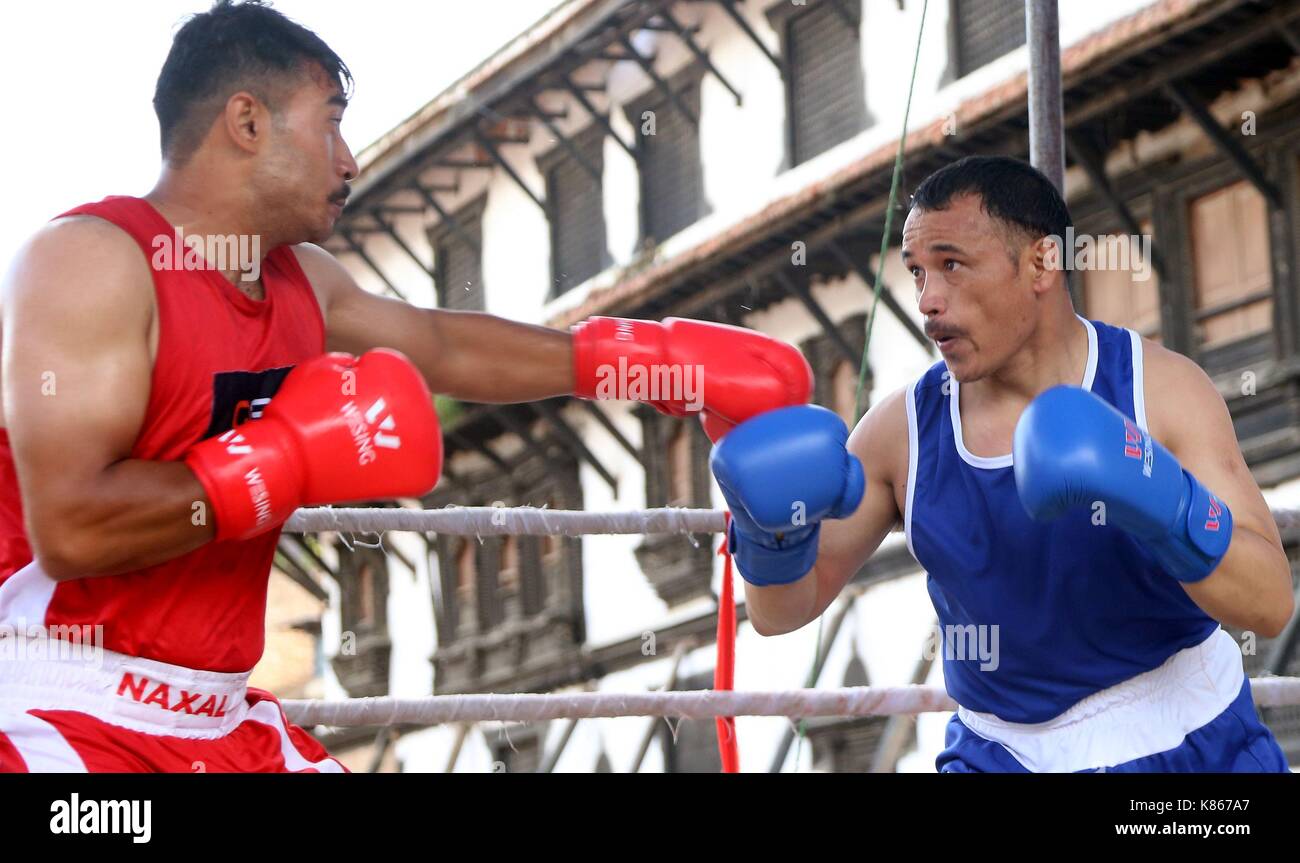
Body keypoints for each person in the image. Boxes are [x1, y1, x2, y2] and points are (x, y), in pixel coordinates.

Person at [0, 0, 811, 772]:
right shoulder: (90, 263)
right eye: (330, 124)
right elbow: (72, 528)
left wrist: (651, 361)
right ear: (246, 123)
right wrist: (280, 457)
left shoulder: (302, 283)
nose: (349, 160)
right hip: (59, 706)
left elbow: (443, 344)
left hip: (219, 715)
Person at [712, 155, 1294, 772]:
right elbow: (781, 612)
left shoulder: (1160, 390)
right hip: (999, 754)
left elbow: (1269, 604)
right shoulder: (901, 431)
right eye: (917, 273)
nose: (928, 300)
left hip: (1187, 745)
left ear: (1043, 261)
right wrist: (767, 533)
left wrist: (1167, 505)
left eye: (952, 265)